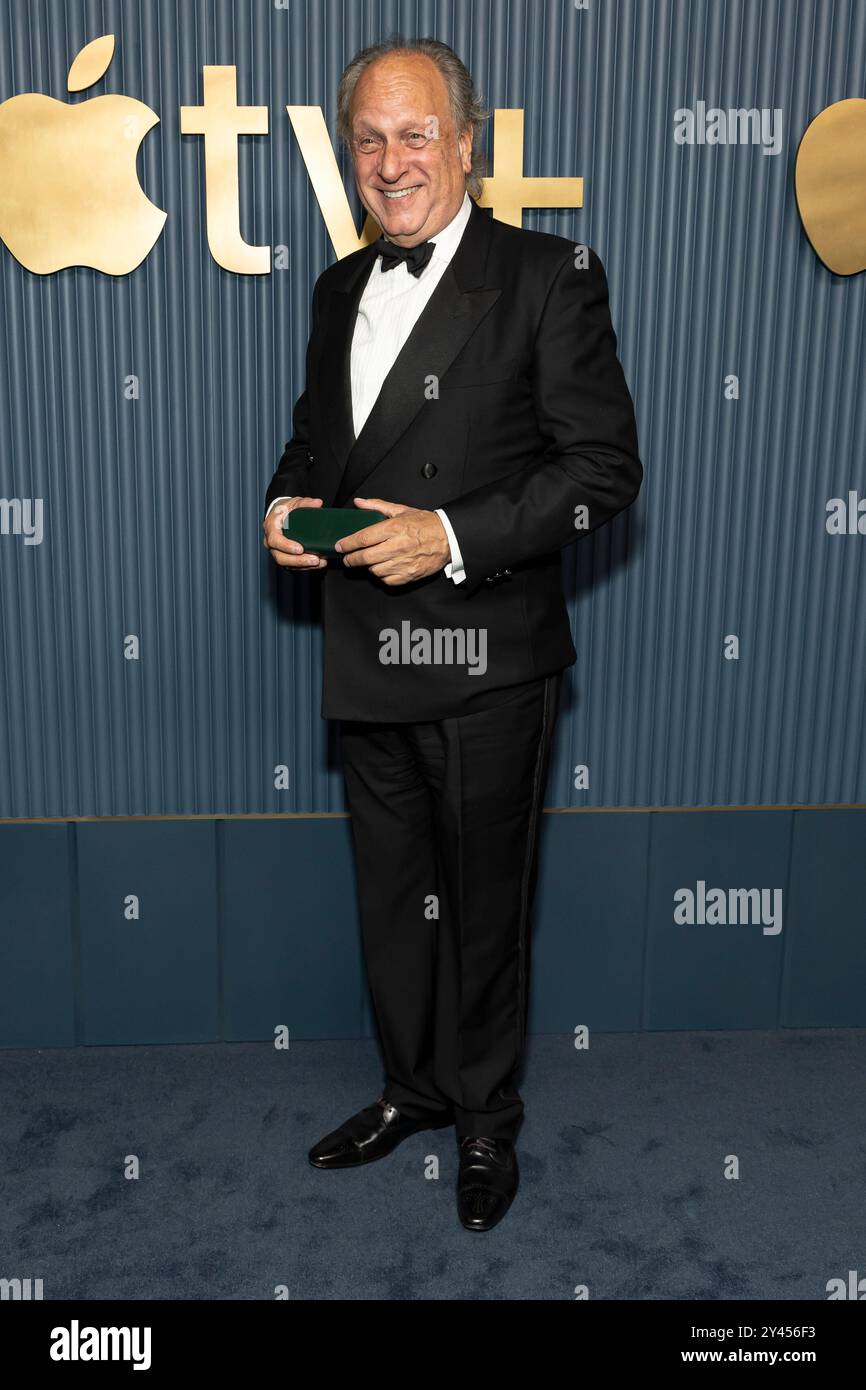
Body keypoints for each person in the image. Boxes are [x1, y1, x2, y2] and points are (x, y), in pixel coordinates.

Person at [262, 36, 642, 1231]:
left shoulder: (547, 275)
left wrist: (448, 535)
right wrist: (285, 504)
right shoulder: (337, 287)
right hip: (365, 650)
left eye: (415, 134)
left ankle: (484, 1120)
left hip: (486, 659)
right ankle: (412, 1089)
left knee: (481, 907)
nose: (391, 162)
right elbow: (317, 441)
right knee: (393, 900)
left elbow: (601, 471)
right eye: (368, 140)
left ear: (466, 144)